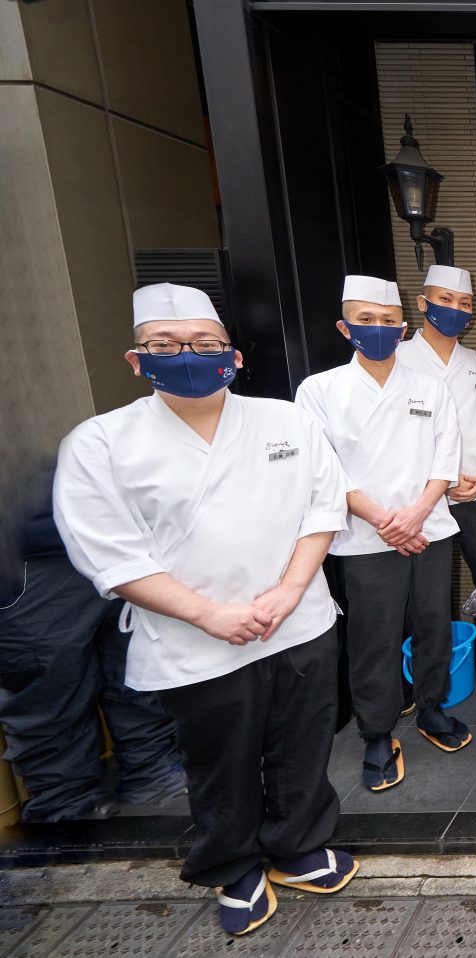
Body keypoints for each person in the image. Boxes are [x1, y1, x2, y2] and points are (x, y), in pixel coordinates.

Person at [53, 283, 357, 936]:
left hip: (298, 619)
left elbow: (324, 508)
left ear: (234, 357)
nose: (186, 355)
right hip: (196, 639)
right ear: (137, 360)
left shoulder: (287, 421)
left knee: (303, 744)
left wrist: (289, 590)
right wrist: (207, 614)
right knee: (222, 758)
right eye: (165, 346)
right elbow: (110, 552)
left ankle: (299, 845)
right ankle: (234, 866)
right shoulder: (102, 443)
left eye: (203, 344)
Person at [295, 275, 470, 797]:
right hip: (367, 537)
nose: (378, 329)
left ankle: (432, 708)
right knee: (373, 637)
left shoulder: (429, 386)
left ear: (402, 326)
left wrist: (415, 514)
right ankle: (376, 731)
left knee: (435, 623)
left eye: (388, 321)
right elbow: (324, 470)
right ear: (344, 326)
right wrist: (384, 520)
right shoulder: (320, 390)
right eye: (365, 320)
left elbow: (446, 456)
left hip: (428, 528)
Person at [0, 465, 184, 822]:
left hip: (116, 531)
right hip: (23, 553)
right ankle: (67, 811)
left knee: (139, 670)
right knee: (48, 696)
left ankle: (155, 777)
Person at [396, 265, 476, 585]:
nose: (456, 309)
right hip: (420, 498)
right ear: (422, 303)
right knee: (427, 588)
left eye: (465, 303)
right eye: (445, 299)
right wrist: (441, 481)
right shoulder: (397, 359)